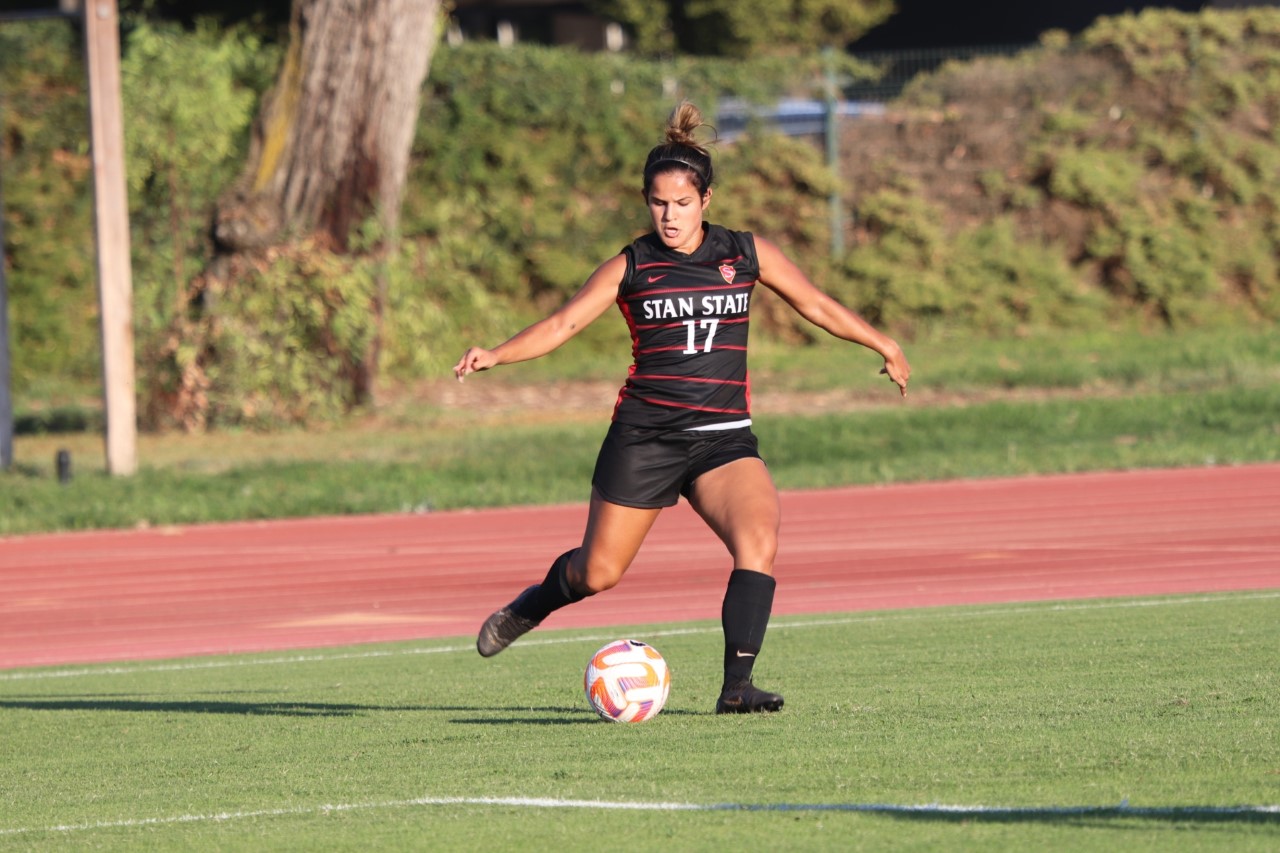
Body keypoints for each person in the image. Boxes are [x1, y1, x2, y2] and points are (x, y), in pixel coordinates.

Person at [453, 101, 910, 714]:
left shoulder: (745, 254)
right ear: (647, 201)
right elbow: (562, 324)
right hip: (646, 438)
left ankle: (736, 688)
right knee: (598, 574)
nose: (669, 216)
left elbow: (818, 305)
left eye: (683, 203)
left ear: (707, 200)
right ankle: (530, 606)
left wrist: (882, 342)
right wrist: (495, 355)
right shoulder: (632, 265)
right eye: (659, 203)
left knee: (759, 541)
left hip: (723, 438)